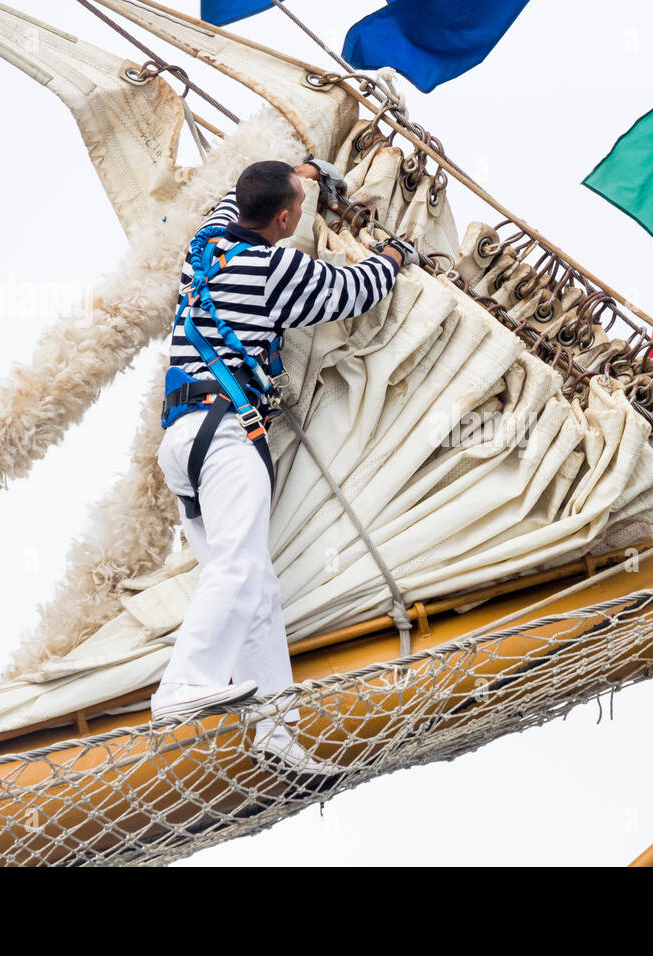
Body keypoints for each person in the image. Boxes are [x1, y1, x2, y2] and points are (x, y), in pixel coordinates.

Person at [151, 159, 410, 771]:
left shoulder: (204, 247)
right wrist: (395, 259)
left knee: (256, 588)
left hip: (181, 441)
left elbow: (225, 197)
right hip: (224, 440)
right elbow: (354, 291)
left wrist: (296, 170)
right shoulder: (276, 268)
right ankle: (183, 687)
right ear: (289, 218)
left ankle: (275, 733)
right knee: (240, 570)